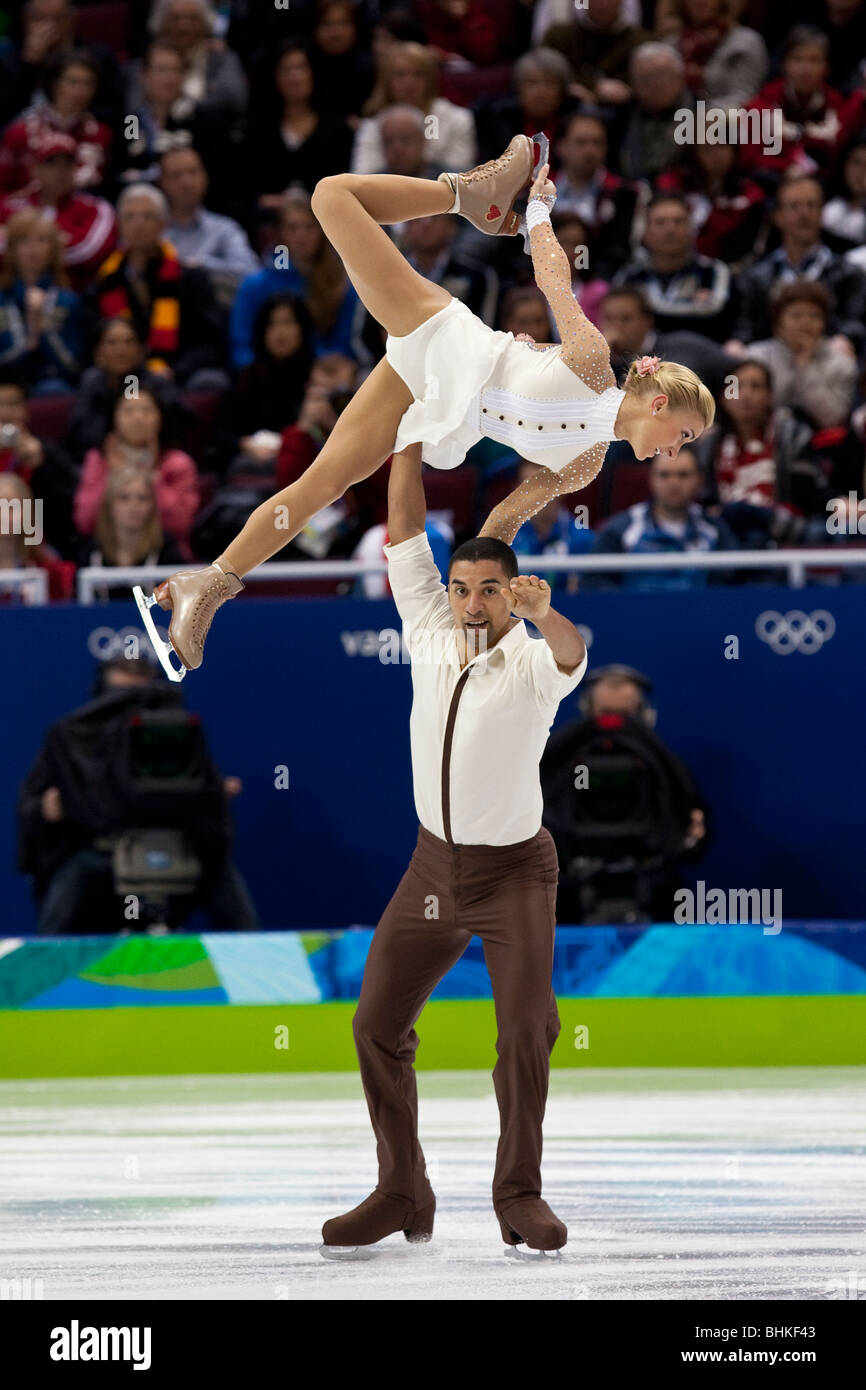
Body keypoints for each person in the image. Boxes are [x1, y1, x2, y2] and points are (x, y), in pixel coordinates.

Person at [143, 138, 714, 677]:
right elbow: (554, 279)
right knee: (331, 196)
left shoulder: (586, 463)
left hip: (441, 401)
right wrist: (537, 212)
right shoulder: (592, 363)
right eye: (683, 435)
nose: (675, 450)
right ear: (658, 402)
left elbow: (503, 521)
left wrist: (489, 588)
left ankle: (211, 584)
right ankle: (465, 194)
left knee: (320, 484)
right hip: (449, 342)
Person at [320, 442, 588, 1255]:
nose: (472, 602)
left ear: (512, 592)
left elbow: (576, 654)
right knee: (374, 1024)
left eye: (489, 590)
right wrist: (402, 436)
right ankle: (403, 1188)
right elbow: (405, 530)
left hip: (514, 875)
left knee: (525, 1031)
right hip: (432, 870)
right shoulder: (430, 629)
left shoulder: (534, 662)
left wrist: (545, 615)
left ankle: (518, 1195)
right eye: (463, 587)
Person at [74, 389, 201, 561]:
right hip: (109, 557)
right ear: (114, 419)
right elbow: (85, 522)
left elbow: (180, 524)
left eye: (146, 410)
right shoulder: (98, 461)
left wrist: (152, 477)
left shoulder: (178, 463)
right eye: (128, 411)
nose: (138, 417)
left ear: (160, 418)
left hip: (166, 557)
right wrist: (115, 474)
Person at [591, 446, 738, 588]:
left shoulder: (715, 531)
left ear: (699, 479)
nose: (674, 483)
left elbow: (731, 585)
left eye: (683, 475)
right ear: (650, 478)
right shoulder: (620, 530)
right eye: (664, 475)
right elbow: (595, 584)